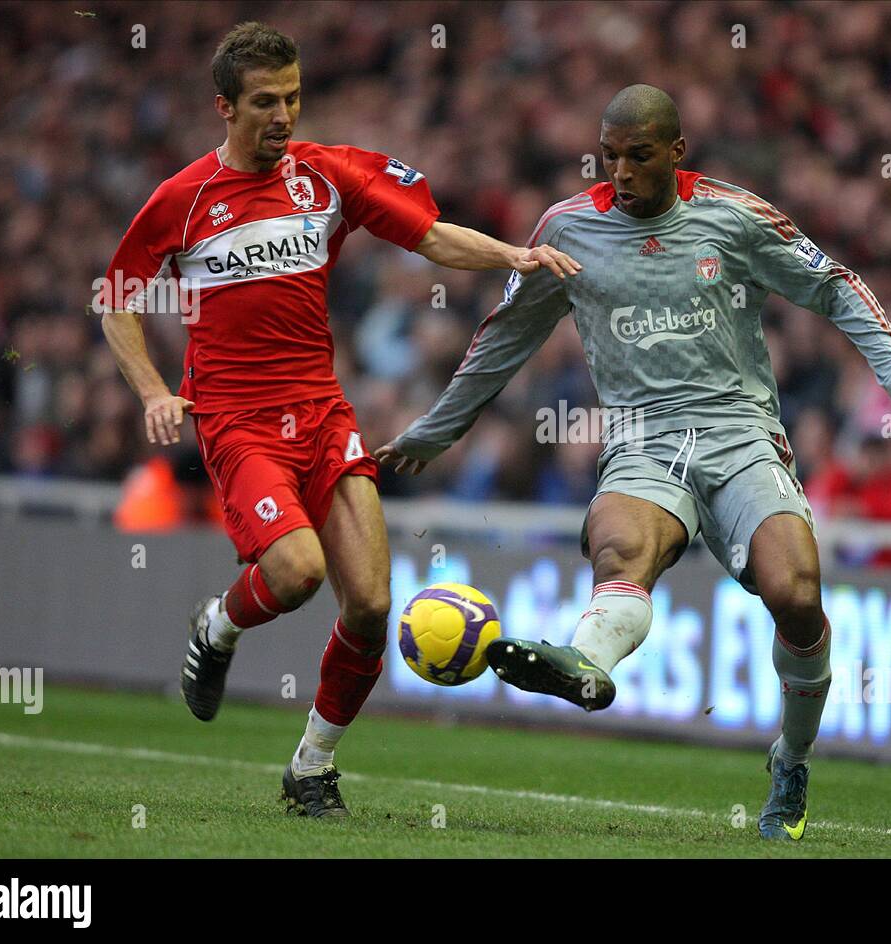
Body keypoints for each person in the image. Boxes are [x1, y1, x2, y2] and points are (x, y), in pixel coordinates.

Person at [376, 85, 891, 840]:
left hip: (742, 433)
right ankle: (585, 664)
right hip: (643, 439)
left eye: (639, 156)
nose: (620, 171)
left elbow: (833, 286)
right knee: (623, 550)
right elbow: (502, 337)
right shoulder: (567, 230)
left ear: (676, 152)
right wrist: (434, 431)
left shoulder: (734, 215)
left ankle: (792, 758)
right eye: (609, 155)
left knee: (798, 594)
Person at [97, 22, 579, 820]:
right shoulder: (182, 202)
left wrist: (514, 257)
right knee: (295, 572)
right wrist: (153, 389)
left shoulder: (326, 178)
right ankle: (217, 626)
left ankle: (310, 768)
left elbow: (428, 236)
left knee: (371, 605)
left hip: (323, 415)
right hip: (237, 422)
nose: (283, 114)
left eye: (292, 96)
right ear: (224, 107)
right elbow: (116, 302)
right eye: (264, 102)